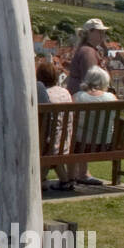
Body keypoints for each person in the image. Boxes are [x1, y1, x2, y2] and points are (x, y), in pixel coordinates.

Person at [71, 67, 118, 183]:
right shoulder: (112, 98)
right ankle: (82, 174)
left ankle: (71, 176)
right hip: (106, 144)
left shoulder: (77, 97)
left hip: (81, 145)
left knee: (76, 136)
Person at [36, 60, 74, 192]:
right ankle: (64, 181)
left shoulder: (43, 95)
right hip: (65, 143)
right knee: (53, 143)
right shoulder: (65, 93)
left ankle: (40, 180)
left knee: (46, 145)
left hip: (47, 145)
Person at [67, 18, 109, 95]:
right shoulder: (88, 52)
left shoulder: (87, 49)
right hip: (85, 100)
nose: (102, 35)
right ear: (89, 33)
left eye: (103, 32)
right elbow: (91, 81)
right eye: (100, 31)